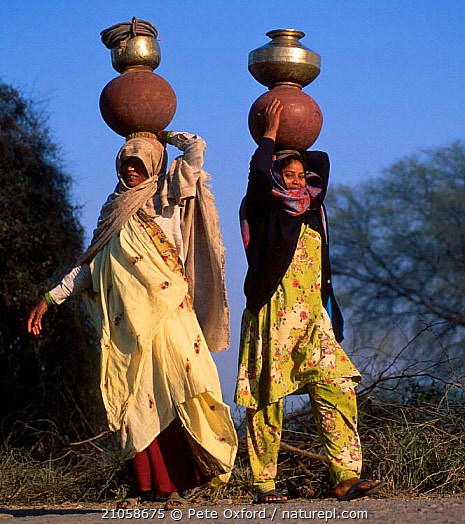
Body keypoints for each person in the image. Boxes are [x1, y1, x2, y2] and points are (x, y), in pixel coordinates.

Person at [28, 130, 237, 509]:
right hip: (128, 328)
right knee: (135, 403)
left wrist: (163, 134)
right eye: (126, 162)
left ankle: (174, 487)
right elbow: (92, 268)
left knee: (177, 392)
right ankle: (143, 487)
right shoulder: (113, 210)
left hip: (170, 317)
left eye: (139, 162)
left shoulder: (167, 195)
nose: (131, 168)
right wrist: (49, 298)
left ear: (153, 164)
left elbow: (196, 149)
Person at [235, 100, 382, 503]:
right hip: (272, 316)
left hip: (313, 320)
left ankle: (346, 476)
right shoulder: (266, 209)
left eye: (302, 175)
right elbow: (257, 174)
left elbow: (322, 160)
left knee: (337, 387)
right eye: (290, 174)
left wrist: (296, 136)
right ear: (276, 177)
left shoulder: (313, 210)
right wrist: (270, 134)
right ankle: (264, 484)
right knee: (266, 401)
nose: (298, 181)